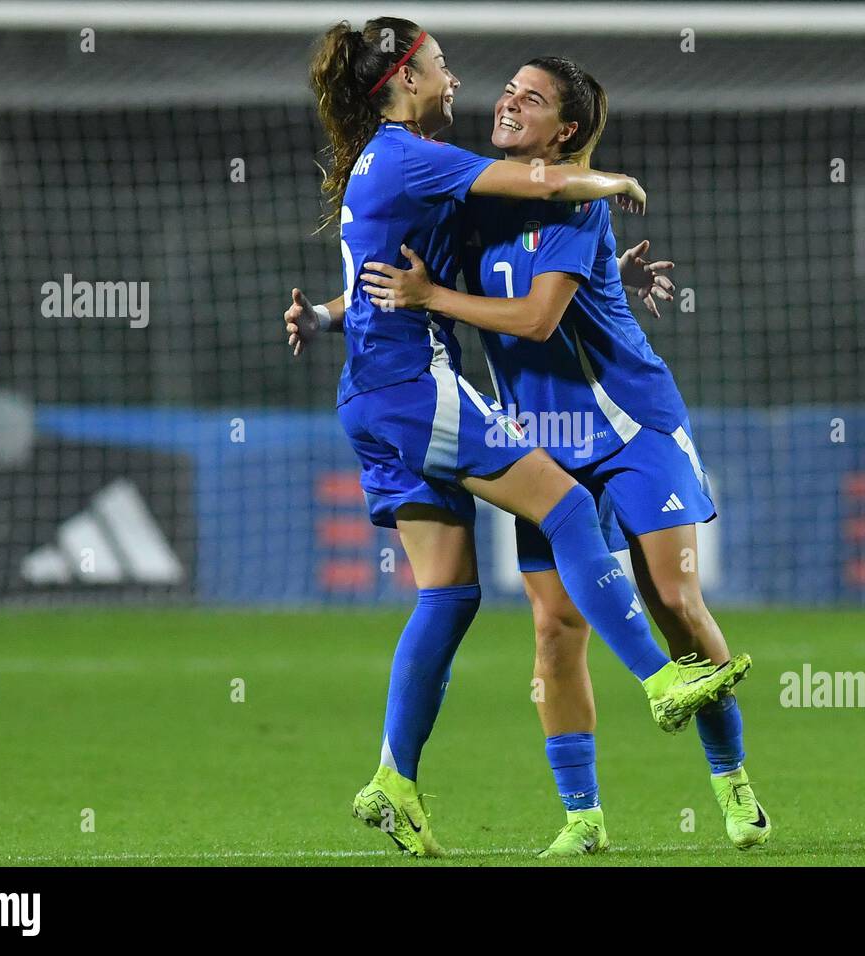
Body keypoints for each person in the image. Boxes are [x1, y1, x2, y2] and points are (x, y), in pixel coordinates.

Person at [289, 18, 750, 857]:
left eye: (521, 93)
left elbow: (378, 273)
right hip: (412, 388)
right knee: (568, 512)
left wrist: (322, 315)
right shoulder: (418, 156)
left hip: (379, 397)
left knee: (450, 595)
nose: (462, 82)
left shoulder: (391, 164)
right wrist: (613, 180)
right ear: (403, 79)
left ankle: (395, 778)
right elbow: (546, 189)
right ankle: (657, 683)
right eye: (441, 66)